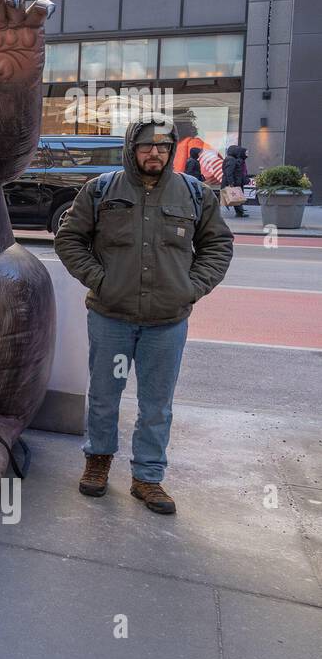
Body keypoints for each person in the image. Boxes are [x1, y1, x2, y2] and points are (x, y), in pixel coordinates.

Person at [54, 117, 233, 514]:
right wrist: (99, 280)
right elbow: (69, 238)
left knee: (157, 404)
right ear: (131, 149)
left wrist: (193, 287)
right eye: (146, 147)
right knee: (104, 396)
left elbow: (218, 244)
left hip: (166, 324)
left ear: (171, 151)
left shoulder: (195, 194)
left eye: (163, 147)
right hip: (111, 317)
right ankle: (97, 463)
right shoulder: (101, 191)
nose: (155, 153)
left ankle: (148, 477)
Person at [221, 144, 249, 218]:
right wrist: (231, 182)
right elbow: (229, 172)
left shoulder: (230, 158)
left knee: (236, 197)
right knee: (235, 197)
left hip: (233, 181)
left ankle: (240, 212)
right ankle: (239, 212)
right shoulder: (231, 159)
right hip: (232, 182)